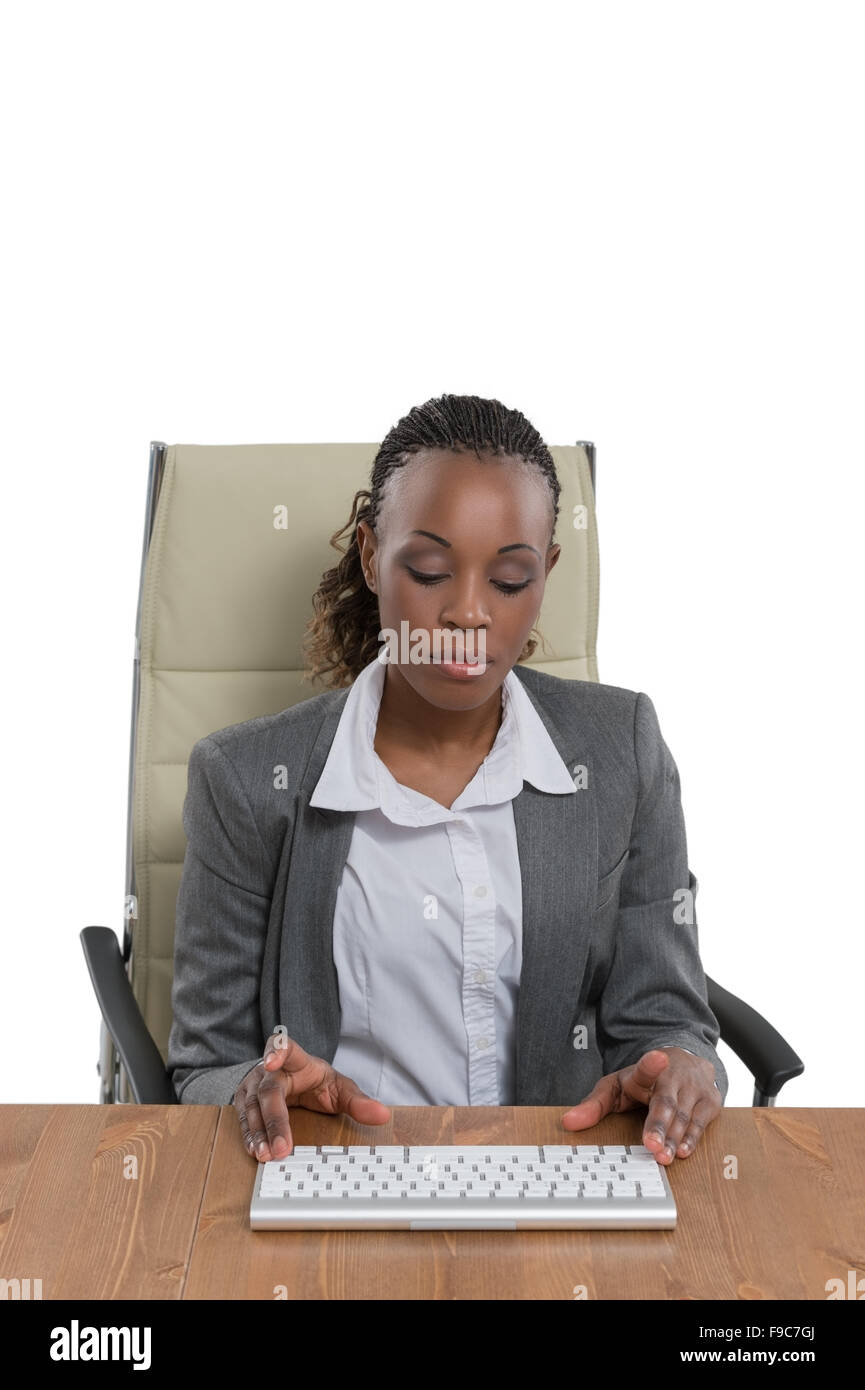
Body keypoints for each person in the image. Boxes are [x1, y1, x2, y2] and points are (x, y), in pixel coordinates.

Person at [166, 393, 726, 1167]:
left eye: (508, 580)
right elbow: (203, 1063)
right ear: (370, 556)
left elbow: (666, 1018)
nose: (467, 613)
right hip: (337, 1173)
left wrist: (682, 1067)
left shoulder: (622, 750)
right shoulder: (244, 780)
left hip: (556, 1175)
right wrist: (246, 1089)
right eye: (428, 570)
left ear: (546, 574)